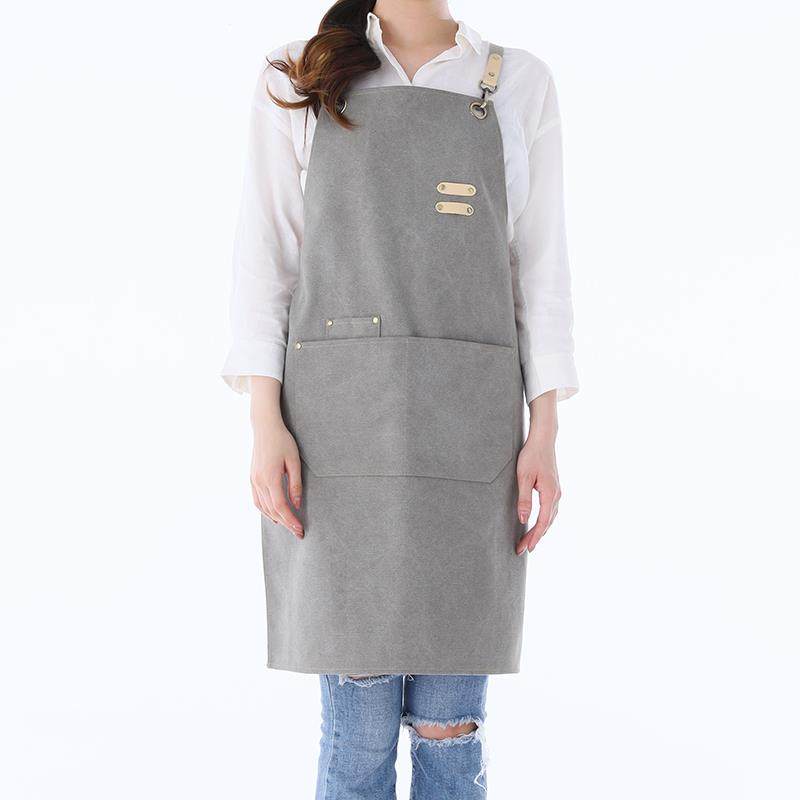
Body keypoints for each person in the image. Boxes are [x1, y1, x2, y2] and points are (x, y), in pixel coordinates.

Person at [222, 1, 578, 796]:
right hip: (337, 430)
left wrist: (545, 427)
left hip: (470, 428)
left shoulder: (519, 81)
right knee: (358, 727)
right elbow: (265, 260)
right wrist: (264, 419)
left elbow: (540, 268)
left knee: (453, 727)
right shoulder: (300, 73)